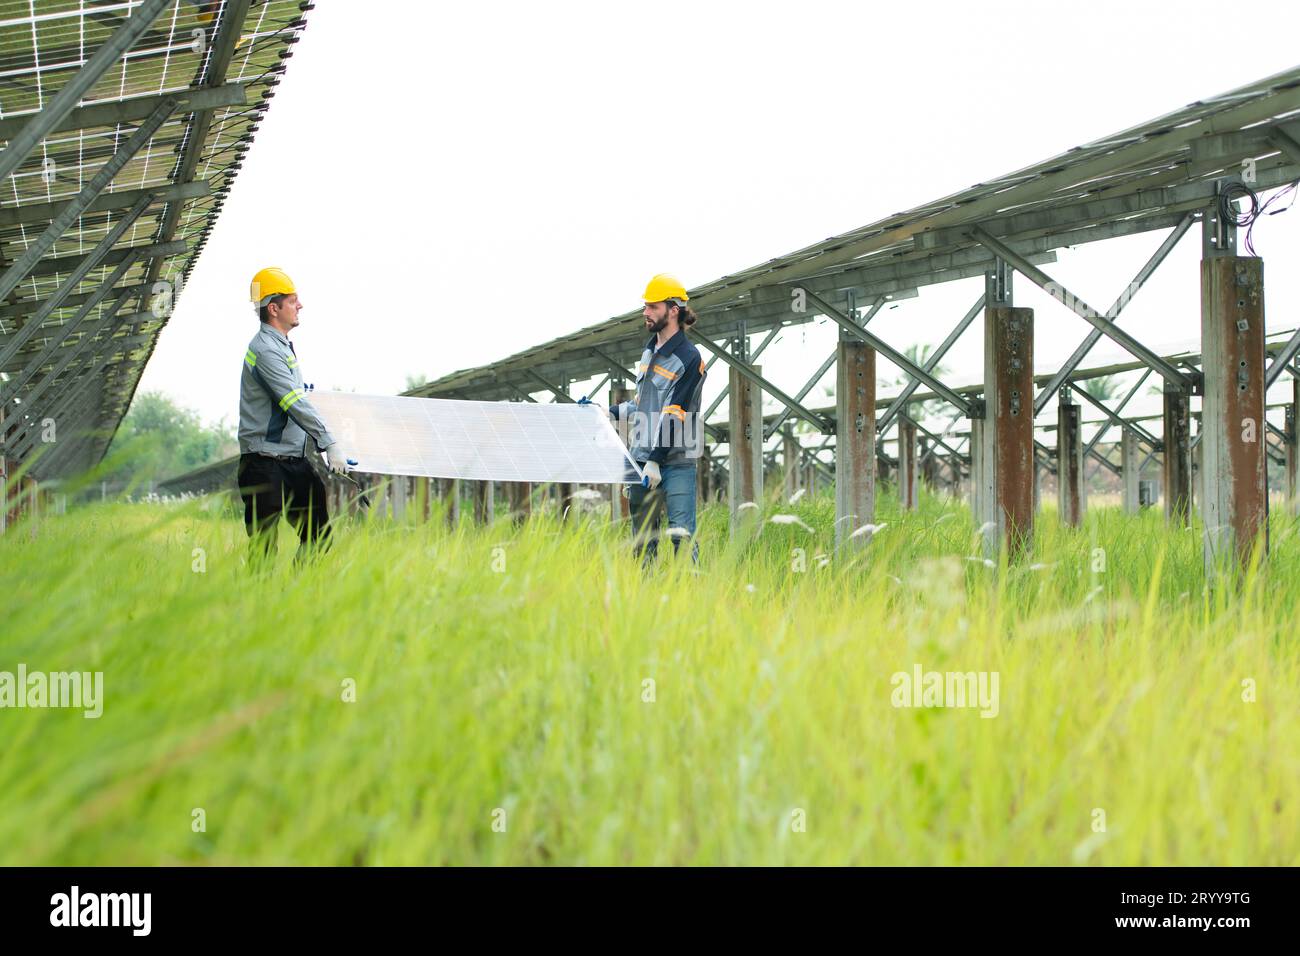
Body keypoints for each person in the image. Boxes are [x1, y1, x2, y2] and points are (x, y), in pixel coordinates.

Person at [237, 267, 351, 566]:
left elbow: (293, 396)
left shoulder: (281, 346)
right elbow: (292, 402)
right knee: (263, 546)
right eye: (293, 300)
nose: (300, 305)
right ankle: (259, 605)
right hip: (263, 464)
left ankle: (298, 596)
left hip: (292, 461)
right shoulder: (264, 349)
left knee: (318, 536)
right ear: (273, 308)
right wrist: (329, 443)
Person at [607, 274, 707, 564]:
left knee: (681, 536)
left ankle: (689, 598)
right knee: (642, 541)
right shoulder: (649, 351)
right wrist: (608, 413)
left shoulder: (690, 358)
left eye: (652, 307)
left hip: (675, 461)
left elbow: (675, 411)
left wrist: (655, 459)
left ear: (673, 310)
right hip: (641, 459)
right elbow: (642, 403)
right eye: (645, 307)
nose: (645, 313)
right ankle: (646, 601)